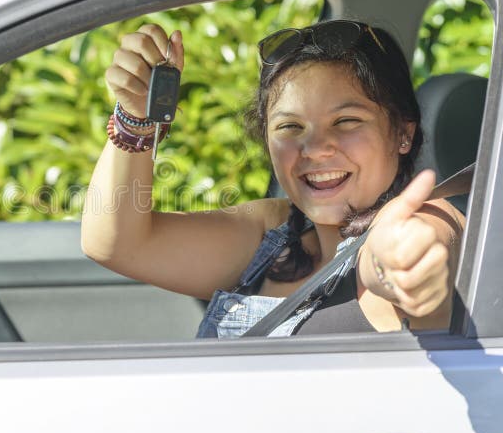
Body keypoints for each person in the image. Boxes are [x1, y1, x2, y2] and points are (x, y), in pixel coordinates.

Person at [81, 20, 464, 337]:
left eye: (346, 121)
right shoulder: (272, 230)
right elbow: (118, 244)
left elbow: (408, 251)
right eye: (290, 126)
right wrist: (136, 118)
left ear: (402, 133)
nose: (315, 148)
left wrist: (398, 266)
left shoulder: (428, 218)